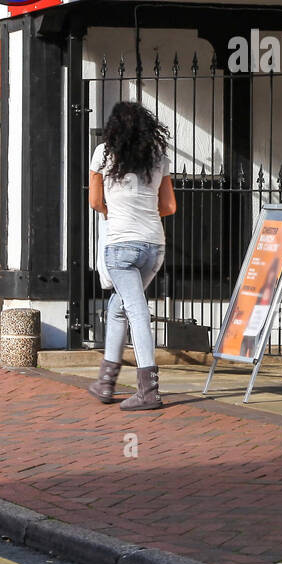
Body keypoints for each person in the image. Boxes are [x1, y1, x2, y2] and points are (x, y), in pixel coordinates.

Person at [87, 100, 177, 410]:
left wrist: (120, 211)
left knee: (136, 311)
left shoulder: (103, 154)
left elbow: (96, 201)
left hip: (122, 246)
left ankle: (148, 391)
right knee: (118, 309)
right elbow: (169, 207)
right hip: (154, 246)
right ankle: (105, 382)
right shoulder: (158, 158)